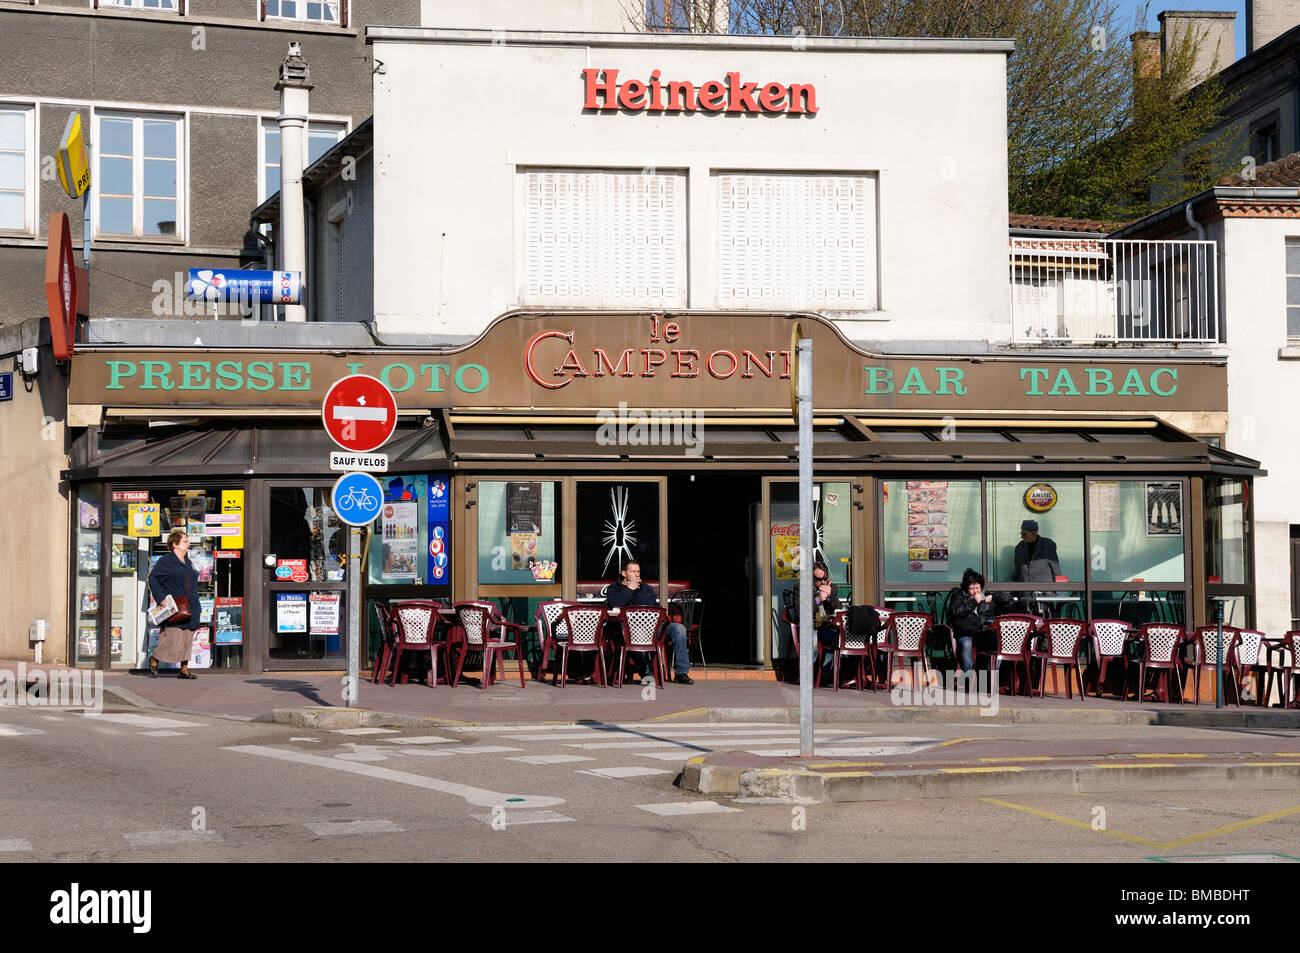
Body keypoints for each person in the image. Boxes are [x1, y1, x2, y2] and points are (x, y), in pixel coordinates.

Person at [605, 560, 694, 685]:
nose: (637, 574)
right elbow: (614, 604)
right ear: (624, 573)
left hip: (652, 628)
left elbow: (656, 607)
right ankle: (646, 671)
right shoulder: (613, 589)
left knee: (678, 629)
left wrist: (662, 618)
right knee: (639, 633)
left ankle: (681, 673)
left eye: (638, 571)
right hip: (628, 631)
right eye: (633, 571)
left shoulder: (646, 589)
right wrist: (629, 589)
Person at [147, 530, 200, 679]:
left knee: (187, 639)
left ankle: (184, 669)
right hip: (175, 607)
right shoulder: (167, 561)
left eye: (188, 541)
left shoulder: (187, 561)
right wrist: (161, 598)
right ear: (175, 544)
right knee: (173, 639)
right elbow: (153, 579)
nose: (188, 544)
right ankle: (155, 658)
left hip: (191, 605)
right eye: (185, 541)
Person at [790, 562, 841, 684]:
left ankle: (823, 673)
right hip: (809, 624)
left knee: (839, 639)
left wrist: (829, 596)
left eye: (824, 578)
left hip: (826, 625)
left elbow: (837, 608)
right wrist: (818, 599)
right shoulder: (800, 588)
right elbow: (799, 612)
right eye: (819, 579)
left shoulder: (832, 588)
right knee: (811, 645)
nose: (822, 582)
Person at [947, 567, 996, 674]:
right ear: (966, 588)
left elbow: (1007, 603)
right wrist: (974, 602)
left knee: (998, 642)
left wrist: (994, 598)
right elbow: (955, 612)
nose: (975, 591)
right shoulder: (958, 595)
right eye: (972, 588)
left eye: (977, 588)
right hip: (965, 632)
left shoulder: (985, 595)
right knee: (966, 644)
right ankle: (968, 677)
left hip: (982, 632)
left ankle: (989, 675)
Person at [1013, 519, 1061, 585]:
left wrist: (1061, 592)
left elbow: (1056, 571)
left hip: (1045, 592)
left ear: (1033, 533)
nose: (1021, 536)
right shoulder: (1019, 548)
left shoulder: (1047, 545)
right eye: (1021, 533)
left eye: (1024, 534)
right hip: (1026, 592)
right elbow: (1017, 573)